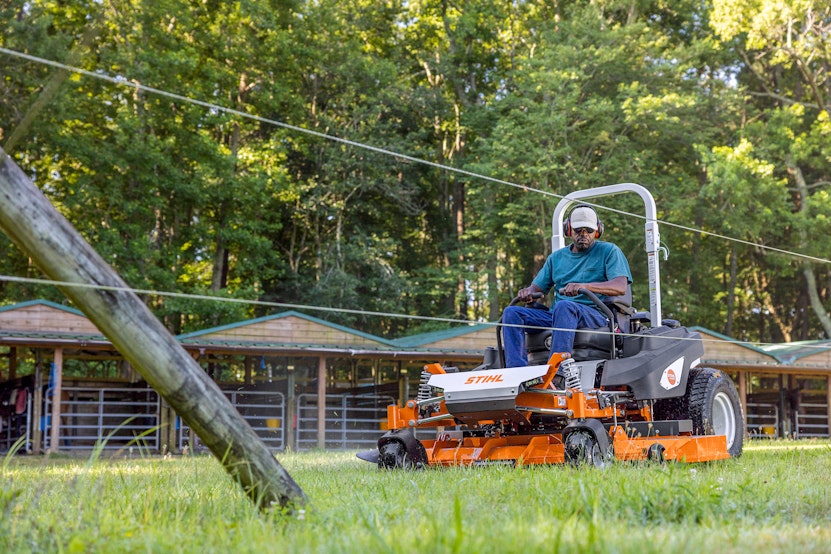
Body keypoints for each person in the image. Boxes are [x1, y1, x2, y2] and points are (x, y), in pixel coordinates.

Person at [501, 205, 632, 368]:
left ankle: (557, 370)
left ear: (598, 230)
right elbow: (537, 288)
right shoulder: (556, 258)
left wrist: (585, 286)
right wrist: (528, 292)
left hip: (594, 314)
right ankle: (516, 371)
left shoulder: (609, 251)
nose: (583, 234)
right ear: (568, 229)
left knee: (565, 306)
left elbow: (620, 286)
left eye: (589, 230)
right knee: (512, 313)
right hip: (559, 315)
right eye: (578, 230)